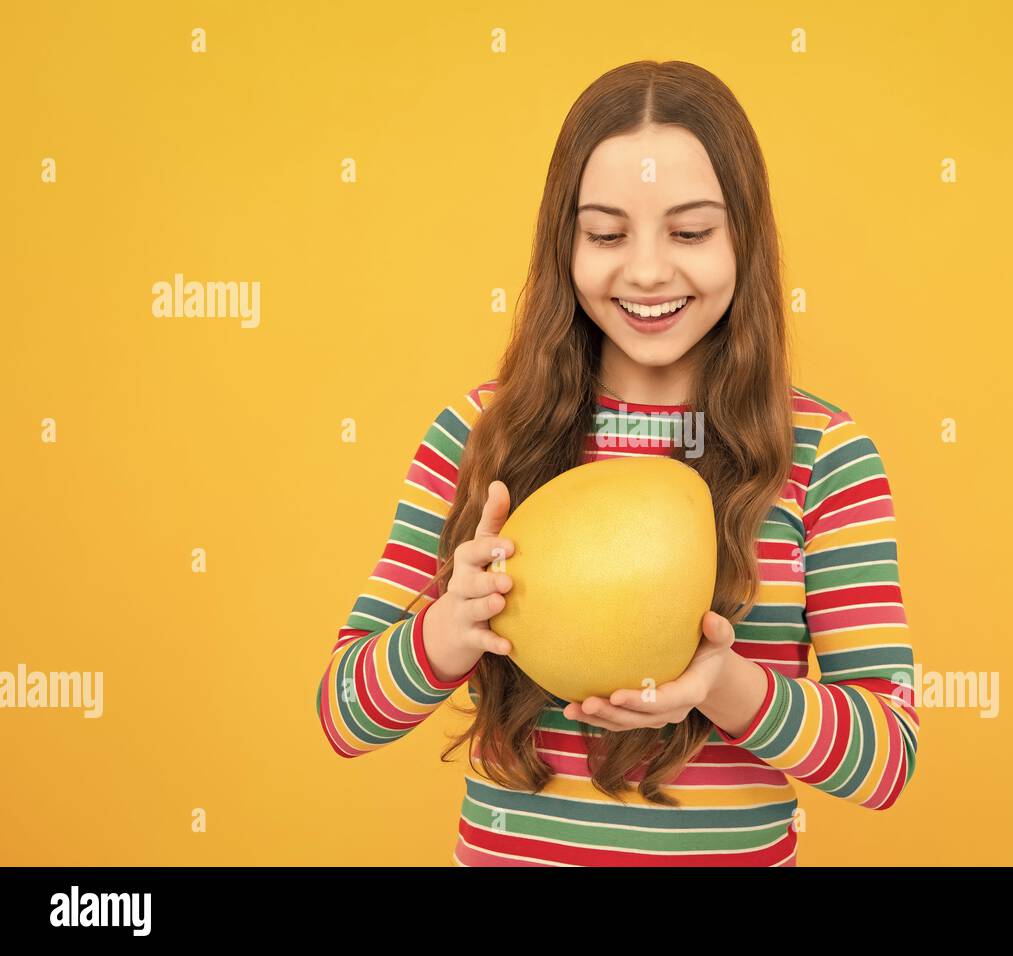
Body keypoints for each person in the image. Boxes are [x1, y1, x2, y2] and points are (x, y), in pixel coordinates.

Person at [314, 60, 919, 866]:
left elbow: (889, 759)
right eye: (605, 233)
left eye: (692, 231)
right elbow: (343, 711)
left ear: (745, 235)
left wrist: (724, 685)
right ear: (563, 243)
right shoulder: (480, 434)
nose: (644, 270)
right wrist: (446, 631)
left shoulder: (823, 455)